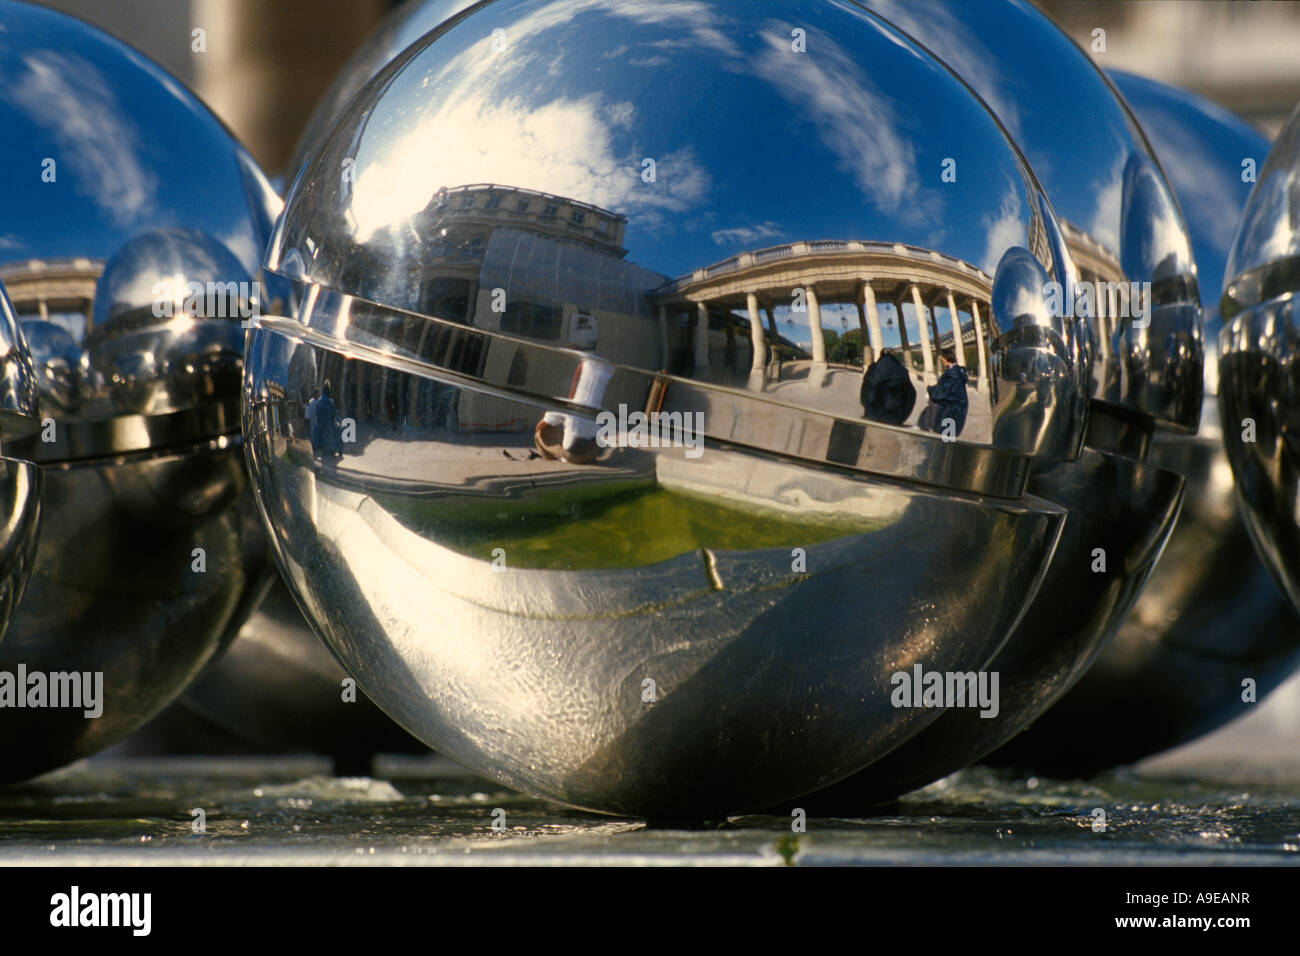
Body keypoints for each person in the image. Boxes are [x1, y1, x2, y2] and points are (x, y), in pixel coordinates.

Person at [860, 348, 917, 426]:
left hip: (871, 415)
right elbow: (911, 395)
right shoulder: (901, 371)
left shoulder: (872, 369)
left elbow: (864, 393)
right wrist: (903, 416)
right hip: (894, 417)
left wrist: (868, 408)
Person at [924, 347, 969, 436]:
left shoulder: (953, 373)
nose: (942, 361)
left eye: (943, 359)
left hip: (953, 409)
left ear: (947, 358)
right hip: (955, 407)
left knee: (946, 437)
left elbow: (944, 392)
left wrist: (930, 390)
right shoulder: (956, 371)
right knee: (947, 435)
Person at [312, 381, 342, 461]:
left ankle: (325, 450)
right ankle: (333, 450)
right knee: (336, 433)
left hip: (322, 425)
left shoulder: (319, 401)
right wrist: (338, 419)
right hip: (329, 425)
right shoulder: (329, 401)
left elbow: (318, 414)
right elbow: (334, 412)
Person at [304, 388, 319, 457]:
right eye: (317, 394)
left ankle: (315, 445)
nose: (318, 395)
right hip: (313, 419)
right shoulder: (312, 402)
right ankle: (314, 446)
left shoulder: (315, 401)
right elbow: (313, 412)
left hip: (314, 419)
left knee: (314, 432)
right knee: (313, 432)